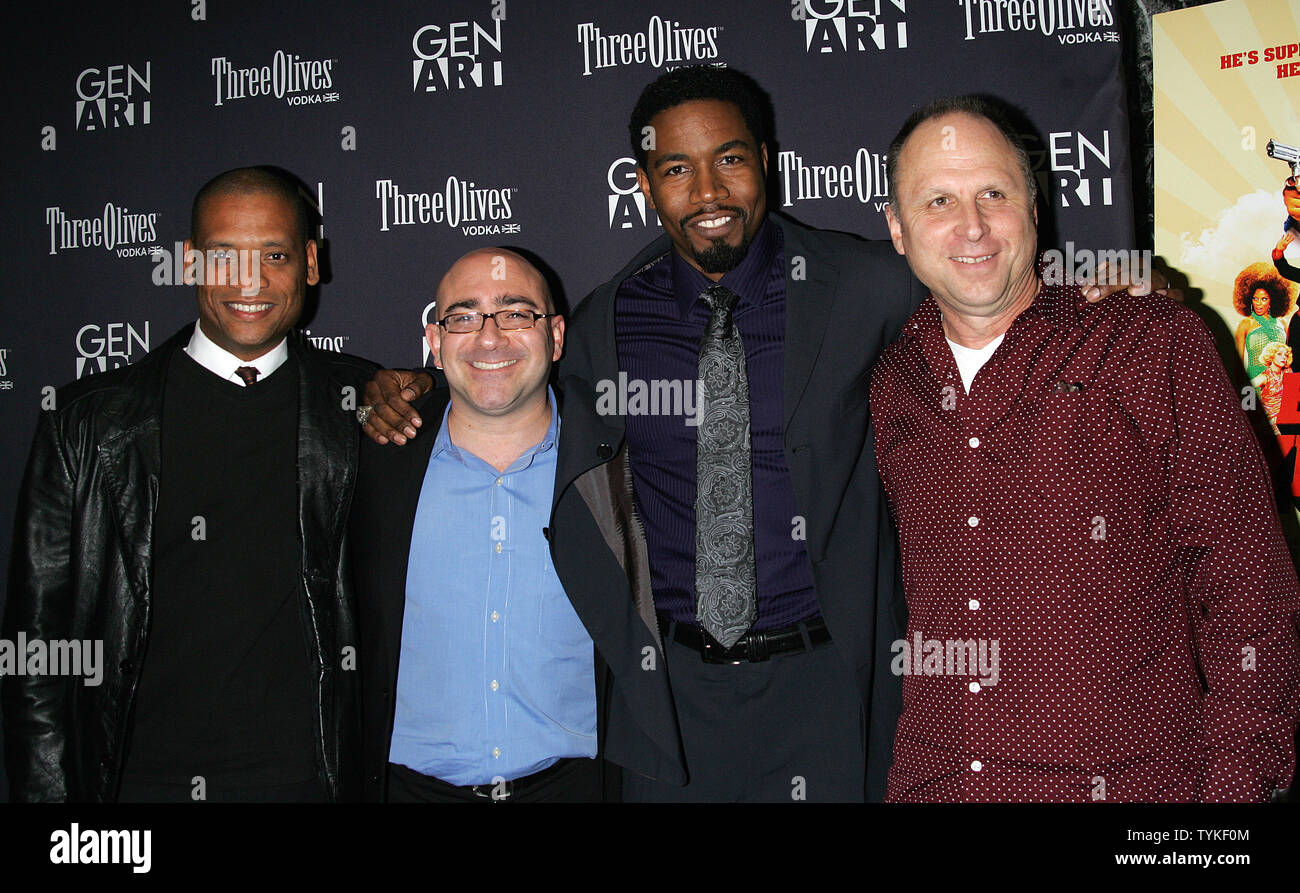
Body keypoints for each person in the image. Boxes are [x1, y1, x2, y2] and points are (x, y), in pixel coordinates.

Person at [360, 68, 1158, 802]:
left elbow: (981, 280)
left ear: (767, 162)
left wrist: (1086, 284)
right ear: (644, 186)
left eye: (730, 159)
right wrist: (409, 384)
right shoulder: (607, 319)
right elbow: (506, 373)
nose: (708, 190)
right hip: (670, 698)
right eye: (676, 169)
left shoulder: (865, 283)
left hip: (830, 688)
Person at [872, 96, 1300, 802]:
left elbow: (1249, 591)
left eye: (994, 193)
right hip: (937, 781)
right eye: (937, 200)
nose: (971, 225)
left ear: (1034, 208)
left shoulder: (1148, 342)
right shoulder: (892, 382)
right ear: (897, 228)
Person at [3, 167, 374, 802]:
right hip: (136, 788)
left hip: (312, 784)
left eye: (275, 255)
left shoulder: (362, 407)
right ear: (189, 264)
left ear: (311, 262)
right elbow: (37, 649)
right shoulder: (86, 425)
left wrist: (420, 384)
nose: (249, 282)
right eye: (223, 256)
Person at [350, 248, 676, 801]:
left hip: (577, 786)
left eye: (515, 313)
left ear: (555, 336)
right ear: (434, 341)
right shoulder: (369, 461)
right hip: (404, 789)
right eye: (463, 316)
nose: (489, 336)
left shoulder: (621, 461)